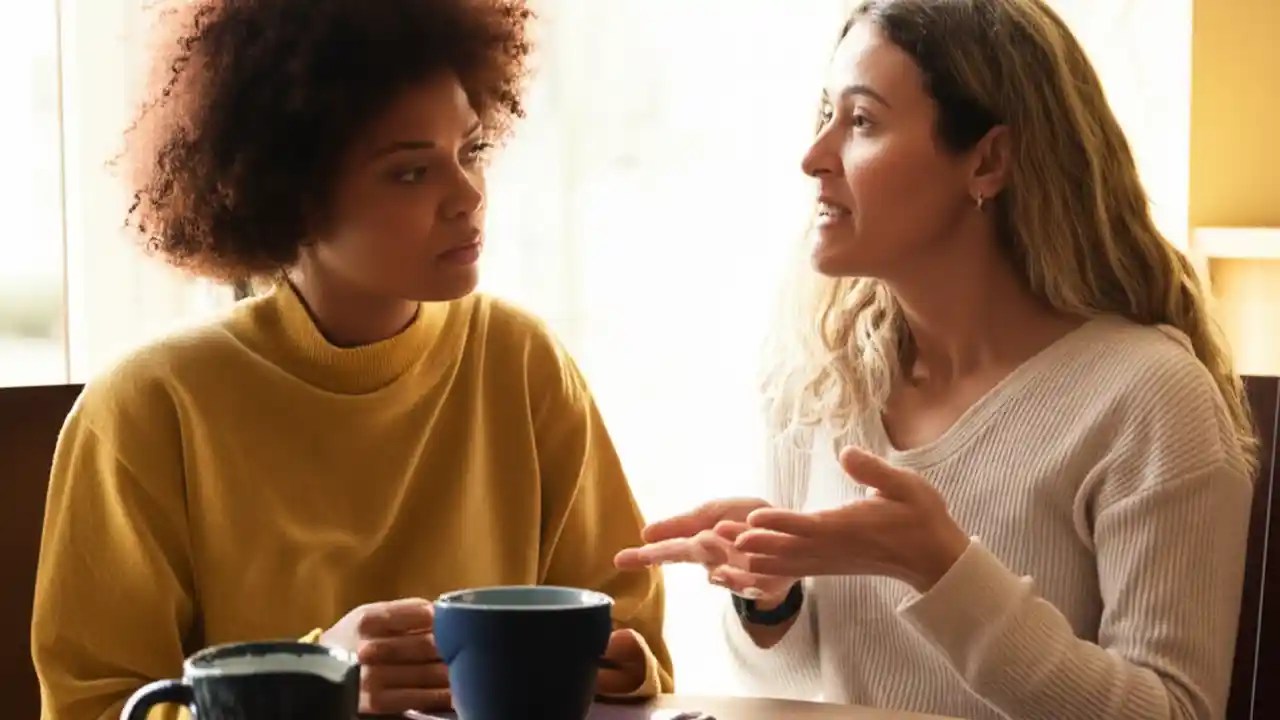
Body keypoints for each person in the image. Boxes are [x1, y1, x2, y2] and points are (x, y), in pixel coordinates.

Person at [31, 1, 673, 718]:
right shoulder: (148, 408)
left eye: (472, 150)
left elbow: (634, 635)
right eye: (409, 173)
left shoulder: (523, 364)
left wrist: (609, 659)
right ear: (290, 194)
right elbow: (96, 705)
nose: (467, 196)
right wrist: (313, 683)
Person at [616, 1, 1255, 719]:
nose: (813, 156)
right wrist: (768, 596)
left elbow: (1174, 712)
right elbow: (793, 692)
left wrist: (941, 569)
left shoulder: (1149, 398)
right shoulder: (820, 378)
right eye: (826, 113)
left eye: (861, 121)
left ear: (987, 160)